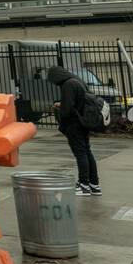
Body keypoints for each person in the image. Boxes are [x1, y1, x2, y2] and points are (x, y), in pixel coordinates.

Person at [48, 65, 101, 195]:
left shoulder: (68, 85)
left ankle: (83, 184)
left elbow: (67, 110)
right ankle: (94, 184)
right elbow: (78, 102)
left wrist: (61, 116)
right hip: (83, 122)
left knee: (80, 153)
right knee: (87, 152)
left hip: (74, 124)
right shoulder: (77, 82)